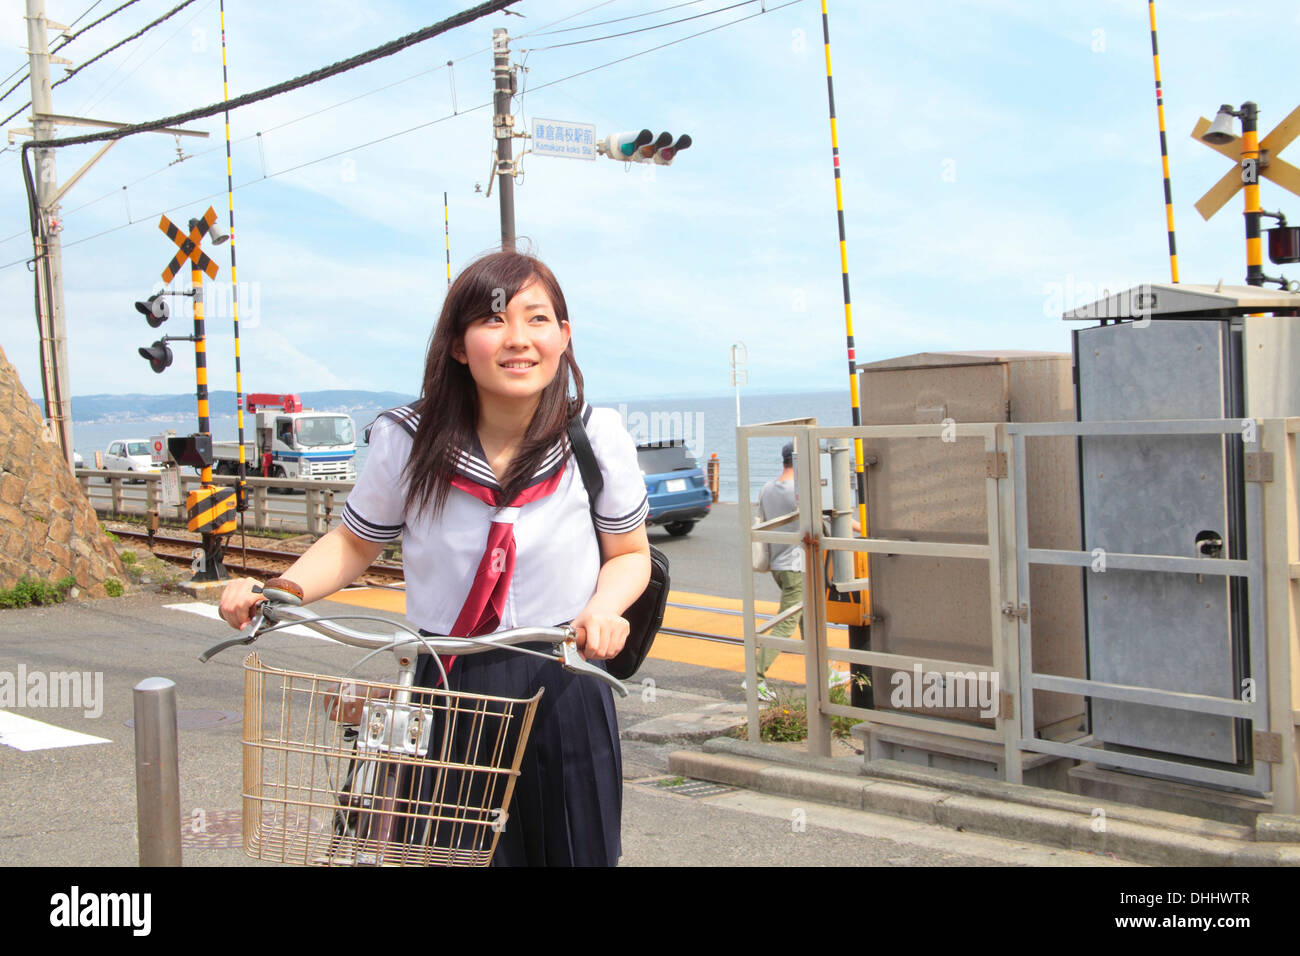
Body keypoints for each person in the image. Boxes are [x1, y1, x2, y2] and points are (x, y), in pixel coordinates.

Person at [218, 249, 651, 867]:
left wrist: (605, 610)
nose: (518, 340)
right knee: (447, 859)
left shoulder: (594, 436)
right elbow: (353, 541)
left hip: (566, 675)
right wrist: (280, 589)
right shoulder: (409, 439)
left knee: (576, 852)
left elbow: (630, 553)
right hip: (448, 681)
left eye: (538, 320)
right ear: (457, 344)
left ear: (564, 336)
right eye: (494, 321)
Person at [751, 441, 804, 701]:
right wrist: (862, 528)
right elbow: (827, 518)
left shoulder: (767, 489)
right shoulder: (800, 491)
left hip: (778, 566)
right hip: (797, 566)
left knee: (809, 619)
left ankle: (823, 672)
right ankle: (756, 678)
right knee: (786, 623)